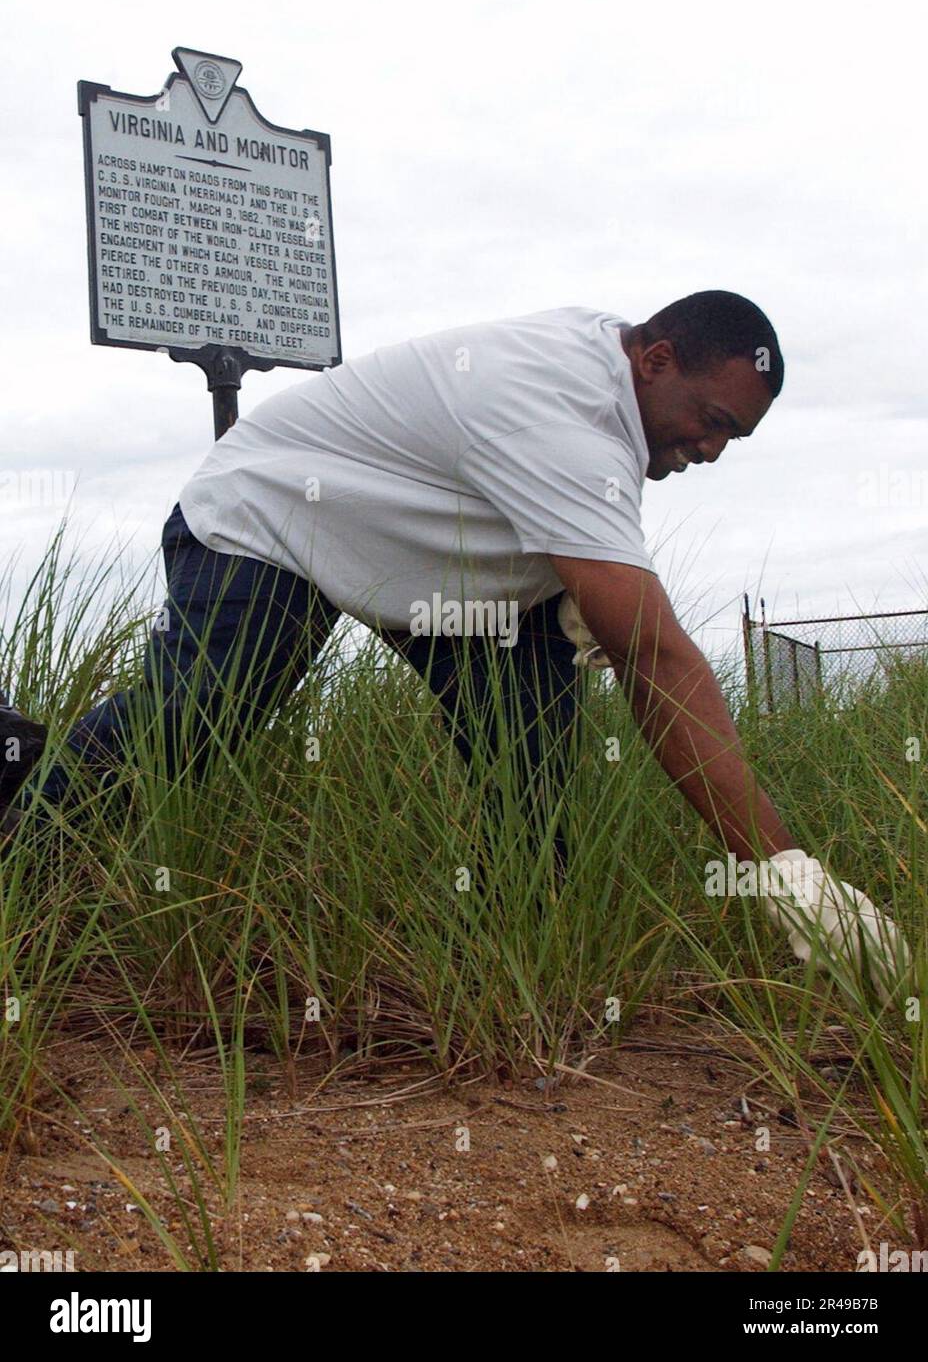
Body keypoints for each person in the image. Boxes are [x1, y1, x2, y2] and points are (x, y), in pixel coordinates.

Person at [0, 290, 910, 995]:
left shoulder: (612, 383)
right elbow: (658, 661)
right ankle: (18, 871)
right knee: (203, 717)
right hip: (270, 515)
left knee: (532, 778)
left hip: (447, 571)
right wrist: (788, 874)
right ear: (656, 358)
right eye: (710, 419)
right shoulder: (558, 408)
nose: (711, 449)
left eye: (734, 437)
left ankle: (503, 993)